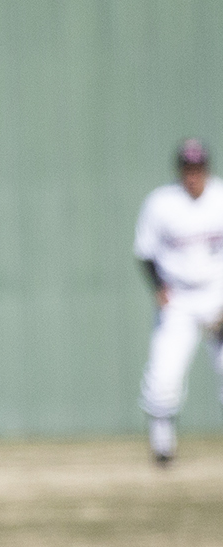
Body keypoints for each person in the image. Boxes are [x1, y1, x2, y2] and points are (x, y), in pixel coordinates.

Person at [134, 137, 223, 465]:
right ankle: (162, 447)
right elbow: (144, 252)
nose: (192, 175)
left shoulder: (220, 197)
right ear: (179, 169)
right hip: (180, 297)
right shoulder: (162, 203)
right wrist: (159, 288)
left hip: (217, 293)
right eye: (187, 168)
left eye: (198, 168)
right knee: (164, 373)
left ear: (207, 169)